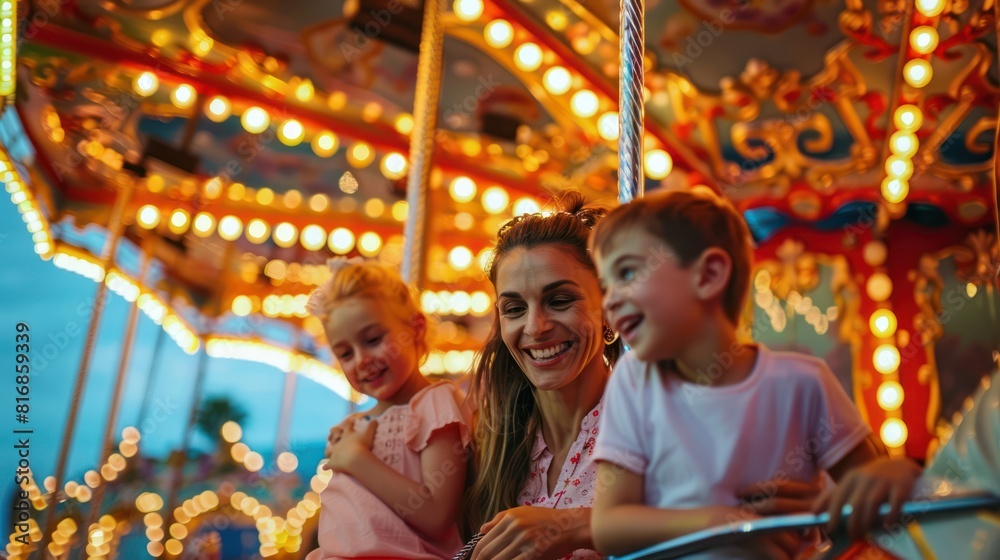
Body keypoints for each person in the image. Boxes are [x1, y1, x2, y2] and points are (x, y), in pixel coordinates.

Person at [589, 189, 885, 559]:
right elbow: (609, 525)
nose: (610, 299)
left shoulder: (803, 383)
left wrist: (834, 506)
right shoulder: (634, 381)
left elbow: (876, 494)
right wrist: (722, 523)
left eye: (628, 272)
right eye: (605, 285)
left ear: (709, 275)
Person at [462, 191, 625, 560]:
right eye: (515, 308)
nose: (535, 327)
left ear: (609, 309)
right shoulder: (491, 444)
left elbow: (726, 525)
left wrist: (578, 525)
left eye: (560, 301)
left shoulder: (652, 421)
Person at [304, 258, 472, 560]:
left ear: (416, 328)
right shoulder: (356, 425)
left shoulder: (436, 403)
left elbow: (435, 515)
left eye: (373, 340)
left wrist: (356, 459)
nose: (361, 360)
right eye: (345, 353)